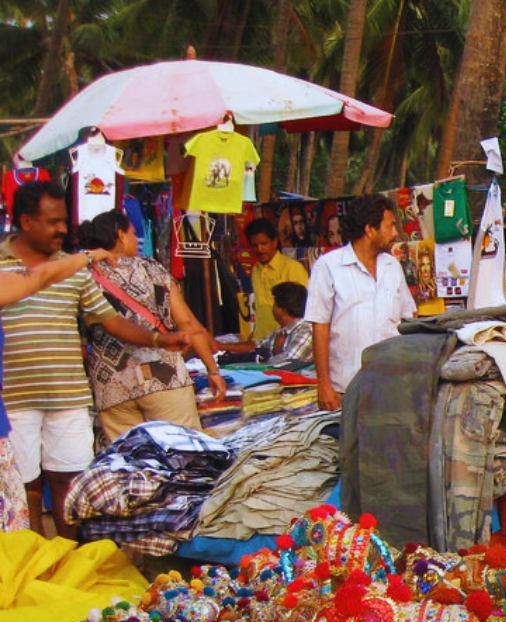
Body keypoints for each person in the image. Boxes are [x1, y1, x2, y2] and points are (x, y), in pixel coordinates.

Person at [0, 182, 127, 538]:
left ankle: (70, 560)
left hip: (67, 393)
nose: (62, 229)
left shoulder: (72, 270)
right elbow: (35, 279)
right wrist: (87, 257)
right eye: (53, 221)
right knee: (24, 486)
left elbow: (109, 320)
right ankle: (33, 564)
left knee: (70, 479)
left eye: (63, 221)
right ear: (26, 221)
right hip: (12, 399)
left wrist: (158, 338)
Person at [78, 210, 225, 443]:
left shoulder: (85, 274)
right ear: (120, 235)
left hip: (113, 389)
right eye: (133, 233)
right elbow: (185, 322)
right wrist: (212, 370)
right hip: (164, 379)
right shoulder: (150, 268)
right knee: (184, 455)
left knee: (130, 464)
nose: (137, 240)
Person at [308, 194, 417, 412]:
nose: (395, 233)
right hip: (347, 387)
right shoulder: (328, 266)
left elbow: (409, 320)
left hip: (392, 385)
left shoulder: (392, 266)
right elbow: (319, 326)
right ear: (370, 229)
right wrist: (324, 384)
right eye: (391, 226)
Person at [244, 217, 309, 340]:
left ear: (274, 242)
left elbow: (303, 311)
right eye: (255, 245)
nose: (259, 249)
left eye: (264, 244)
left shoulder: (292, 268)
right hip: (261, 340)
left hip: (284, 342)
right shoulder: (255, 270)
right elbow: (260, 309)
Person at [225, 282, 312, 364]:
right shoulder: (280, 332)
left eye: (275, 304)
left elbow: (289, 361)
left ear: (283, 310)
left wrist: (258, 361)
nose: (272, 307)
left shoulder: (306, 330)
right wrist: (222, 346)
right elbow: (256, 346)